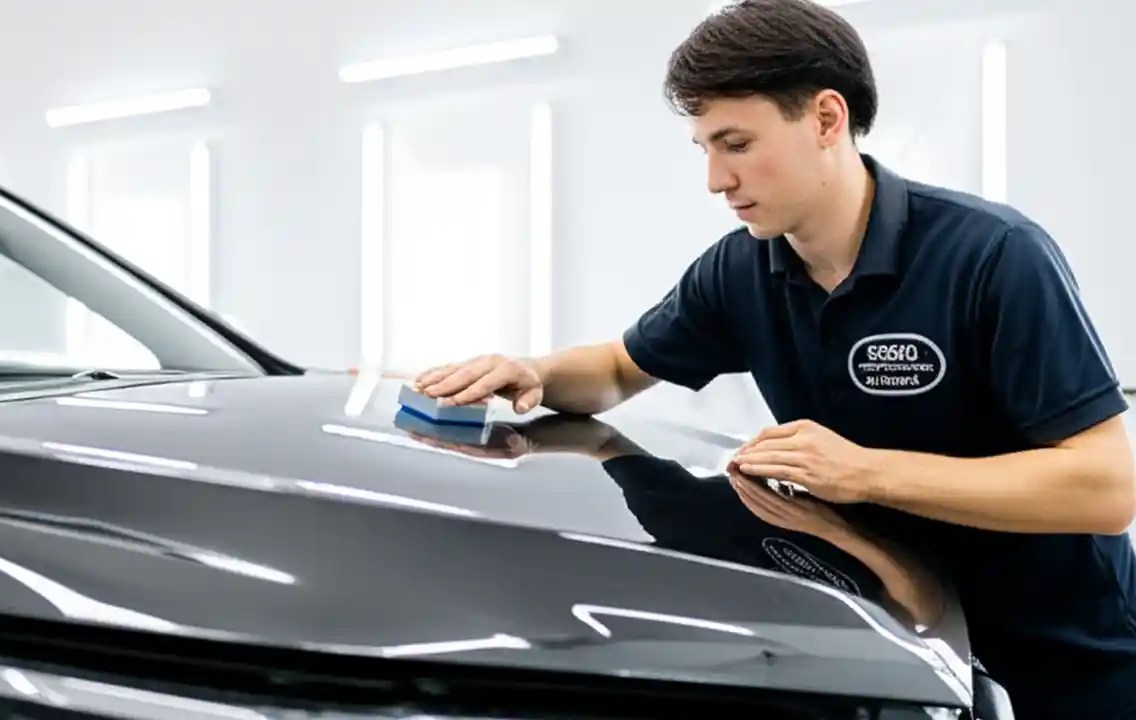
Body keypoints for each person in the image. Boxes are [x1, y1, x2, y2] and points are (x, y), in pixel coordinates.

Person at [412, 0, 1136, 716]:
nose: (716, 181)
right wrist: (536, 372)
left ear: (826, 119)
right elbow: (614, 370)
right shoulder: (740, 270)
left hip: (1066, 660)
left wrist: (862, 472)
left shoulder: (993, 256)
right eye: (705, 150)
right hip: (898, 644)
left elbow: (1106, 488)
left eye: (736, 144)